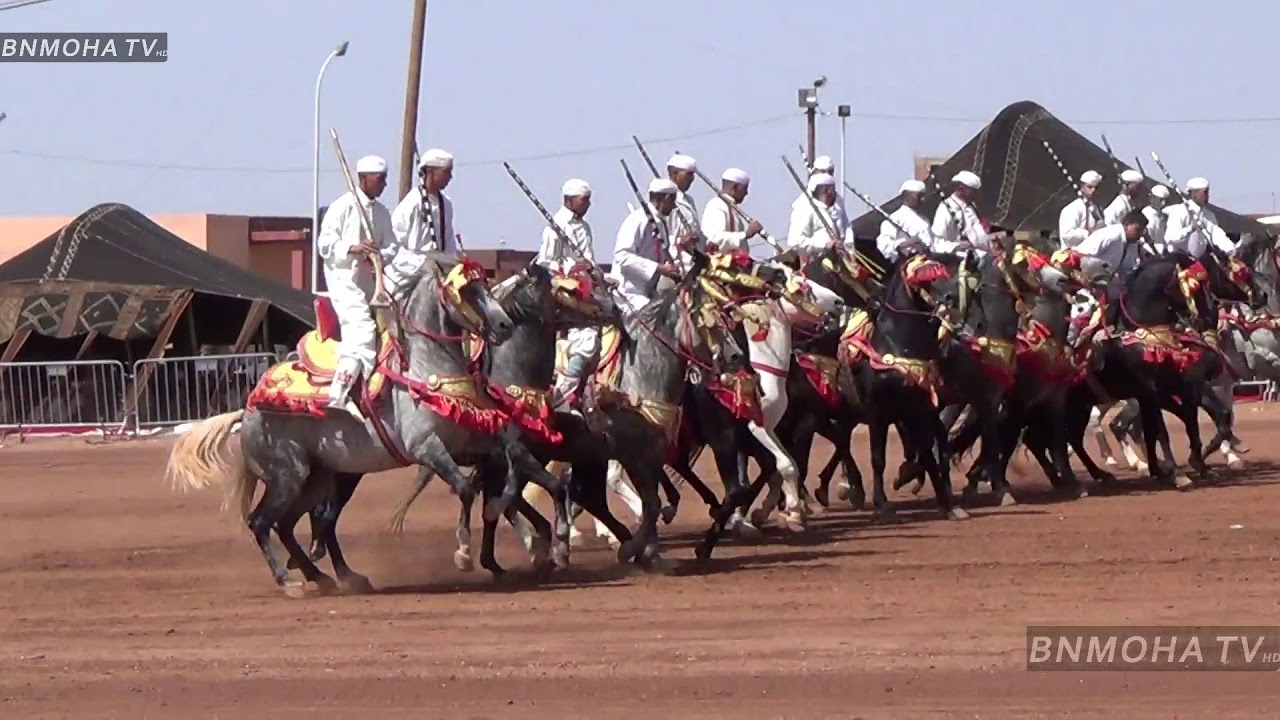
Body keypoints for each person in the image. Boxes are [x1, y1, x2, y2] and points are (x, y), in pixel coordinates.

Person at [316, 154, 397, 416]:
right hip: (344, 281)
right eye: (380, 179)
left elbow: (392, 246)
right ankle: (338, 396)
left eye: (385, 178)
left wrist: (378, 256)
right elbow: (324, 245)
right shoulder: (342, 207)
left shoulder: (382, 213)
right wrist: (354, 248)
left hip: (372, 283)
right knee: (362, 331)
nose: (384, 184)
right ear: (363, 179)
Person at [537, 178, 601, 409]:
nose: (588, 204)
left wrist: (594, 272)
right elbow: (546, 262)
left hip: (585, 286)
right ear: (569, 200)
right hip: (561, 289)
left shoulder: (584, 227)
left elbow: (589, 259)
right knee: (586, 337)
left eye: (589, 200)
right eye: (584, 200)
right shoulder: (555, 226)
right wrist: (570, 271)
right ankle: (562, 398)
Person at [608, 178, 683, 312]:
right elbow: (622, 256)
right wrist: (659, 268)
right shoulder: (637, 220)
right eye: (673, 200)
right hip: (629, 292)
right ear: (666, 198)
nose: (674, 206)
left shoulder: (661, 223)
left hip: (650, 291)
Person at [391, 148, 457, 265]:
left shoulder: (446, 204)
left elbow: (449, 243)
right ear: (431, 172)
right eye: (446, 172)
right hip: (411, 270)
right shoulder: (412, 203)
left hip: (439, 269)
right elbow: (396, 242)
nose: (450, 177)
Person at [1075, 210, 1149, 297]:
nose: (1139, 234)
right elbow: (1080, 255)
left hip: (1105, 286)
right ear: (1126, 225)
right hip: (1083, 284)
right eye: (1137, 230)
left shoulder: (1133, 244)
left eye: (1141, 231)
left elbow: (1127, 270)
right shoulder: (1110, 235)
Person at [1161, 177, 1235, 258]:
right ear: (1194, 194)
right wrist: (1191, 228)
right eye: (1204, 193)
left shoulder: (1208, 215)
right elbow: (1170, 237)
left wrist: (1229, 249)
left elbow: (1217, 234)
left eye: (1207, 192)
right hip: (1178, 259)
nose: (1208, 196)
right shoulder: (1178, 211)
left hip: (1200, 261)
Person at [700, 168, 764, 252]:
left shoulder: (733, 209)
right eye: (744, 188)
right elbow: (714, 239)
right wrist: (746, 234)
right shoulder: (716, 205)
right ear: (736, 187)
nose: (746, 193)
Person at [931, 170, 991, 255]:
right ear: (961, 189)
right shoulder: (945, 209)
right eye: (973, 191)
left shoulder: (971, 208)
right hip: (962, 261)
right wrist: (956, 246)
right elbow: (937, 242)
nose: (976, 195)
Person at [875, 179, 936, 261]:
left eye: (923, 196)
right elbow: (883, 245)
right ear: (907, 196)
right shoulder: (896, 218)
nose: (923, 200)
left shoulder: (924, 220)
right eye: (919, 196)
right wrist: (905, 244)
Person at [787, 172, 842, 256]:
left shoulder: (830, 211)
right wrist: (824, 245)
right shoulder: (805, 209)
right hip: (815, 264)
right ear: (828, 191)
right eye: (834, 189)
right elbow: (794, 242)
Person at [792, 155, 849, 232]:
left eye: (830, 172)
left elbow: (847, 226)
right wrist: (824, 243)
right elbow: (795, 240)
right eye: (823, 172)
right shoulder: (803, 203)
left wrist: (848, 241)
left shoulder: (838, 201)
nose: (827, 176)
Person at [666, 153, 701, 266]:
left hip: (691, 261)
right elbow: (659, 236)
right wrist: (680, 242)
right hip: (672, 264)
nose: (692, 179)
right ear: (675, 174)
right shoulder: (665, 199)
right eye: (688, 174)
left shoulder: (689, 200)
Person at [1057, 170, 1105, 248]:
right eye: (1089, 187)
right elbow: (1067, 235)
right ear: (1082, 187)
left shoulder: (1099, 209)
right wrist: (1091, 233)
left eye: (1096, 187)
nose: (1093, 190)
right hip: (1074, 256)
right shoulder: (1073, 208)